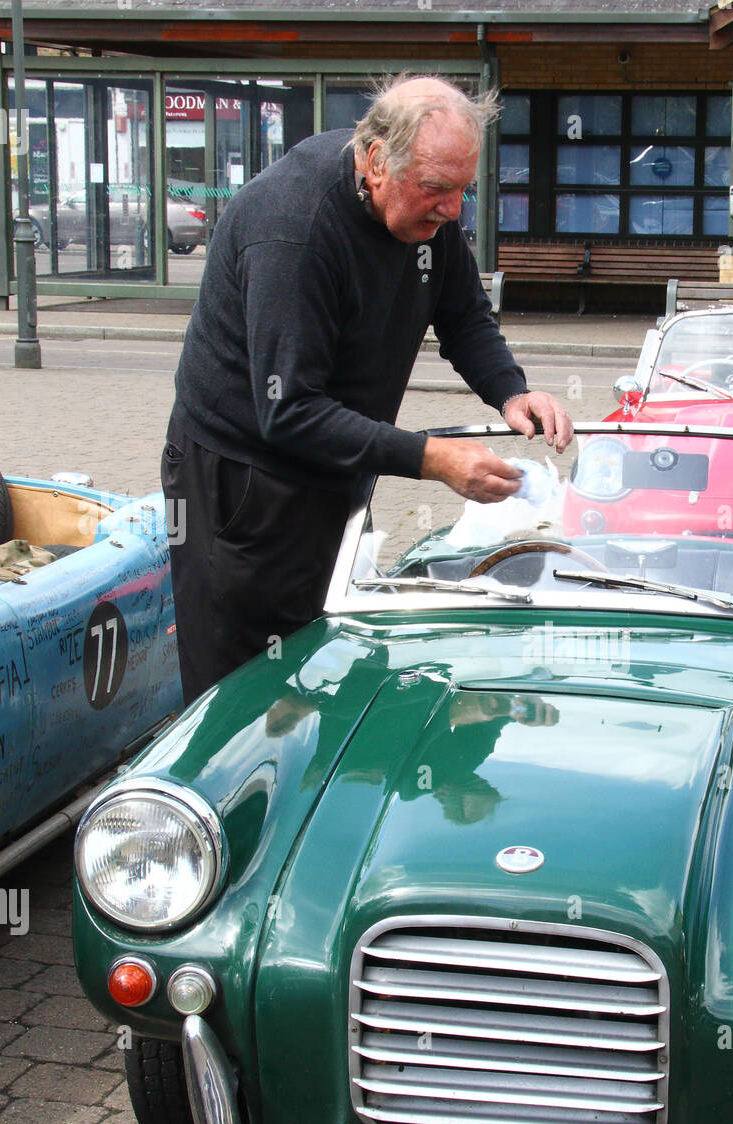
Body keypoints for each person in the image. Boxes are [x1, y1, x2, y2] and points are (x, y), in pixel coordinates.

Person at [161, 74, 572, 703]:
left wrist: (510, 392)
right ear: (377, 161)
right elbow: (289, 411)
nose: (453, 210)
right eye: (436, 189)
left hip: (334, 456)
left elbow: (461, 312)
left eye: (465, 190)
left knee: (328, 654)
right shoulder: (293, 230)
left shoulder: (423, 214)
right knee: (244, 689)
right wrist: (431, 458)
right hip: (243, 482)